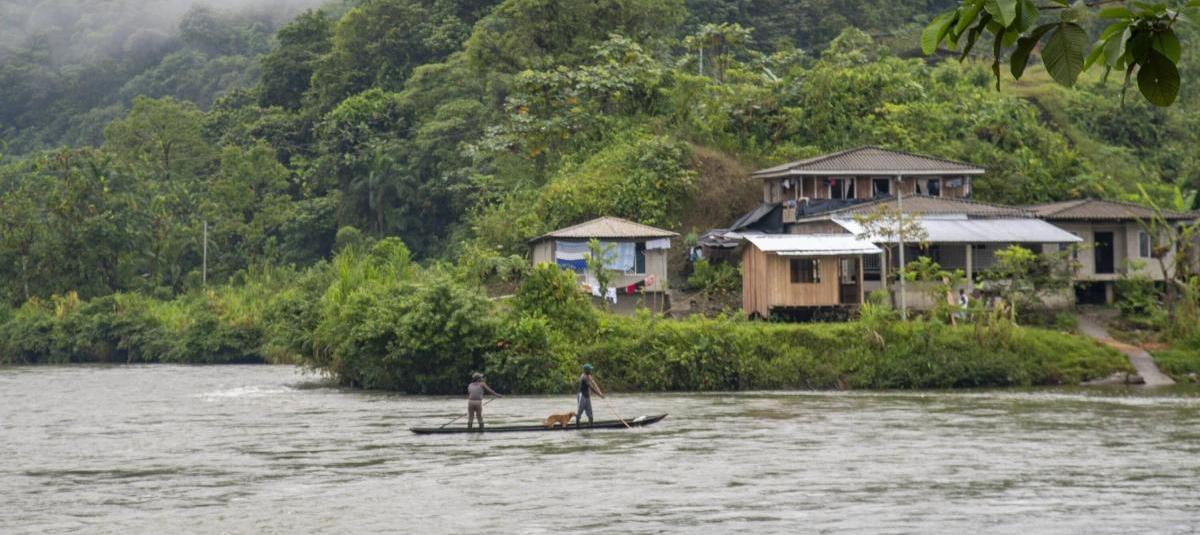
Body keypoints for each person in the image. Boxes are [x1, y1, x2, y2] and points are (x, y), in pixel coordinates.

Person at [575, 364, 605, 428]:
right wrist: (600, 395)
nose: (591, 371)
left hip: (587, 396)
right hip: (582, 396)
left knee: (590, 414)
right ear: (587, 370)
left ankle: (590, 426)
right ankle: (577, 426)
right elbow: (592, 388)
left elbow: (593, 384)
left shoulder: (588, 376)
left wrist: (600, 393)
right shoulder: (584, 377)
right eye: (590, 370)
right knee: (579, 411)